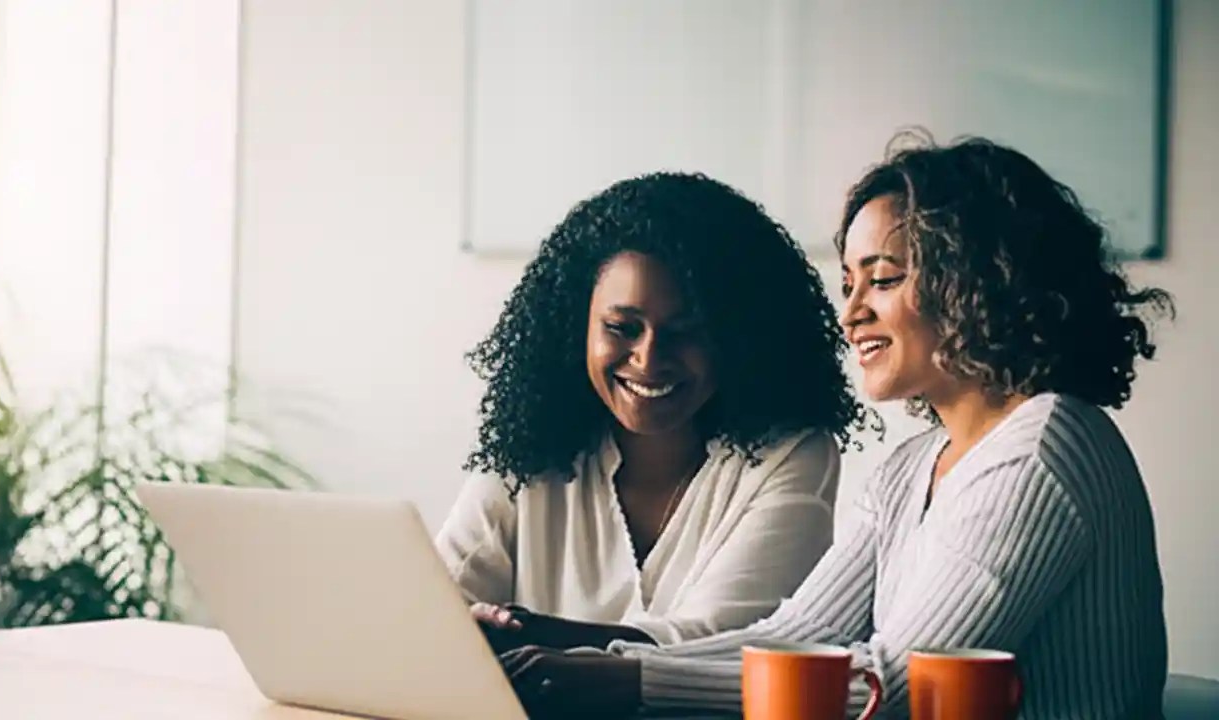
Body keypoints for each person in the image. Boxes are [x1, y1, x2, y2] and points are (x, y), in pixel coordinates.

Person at [499, 136, 1174, 719]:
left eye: (881, 280)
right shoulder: (914, 465)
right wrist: (593, 656)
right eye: (848, 282)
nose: (851, 313)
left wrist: (631, 680)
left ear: (978, 283)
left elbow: (900, 682)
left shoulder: (1044, 449)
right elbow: (801, 634)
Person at [436, 172, 871, 654]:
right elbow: (432, 610)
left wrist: (522, 634)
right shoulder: (530, 449)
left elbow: (728, 642)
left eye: (687, 331)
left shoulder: (791, 455)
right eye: (622, 327)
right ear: (573, 327)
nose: (649, 358)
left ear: (739, 337)